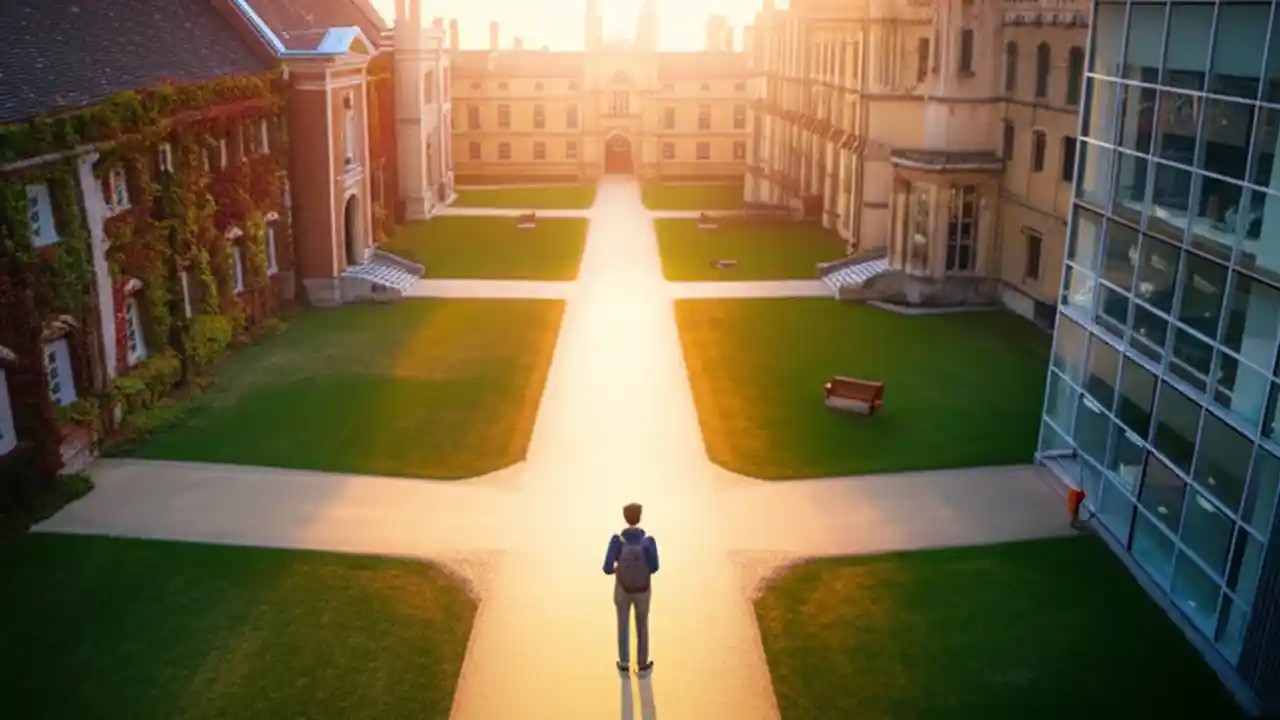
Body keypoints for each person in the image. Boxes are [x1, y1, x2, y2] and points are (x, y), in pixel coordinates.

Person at [603, 502, 659, 674]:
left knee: (623, 624)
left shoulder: (617, 541)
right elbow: (654, 567)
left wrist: (617, 570)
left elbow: (606, 567)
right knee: (642, 625)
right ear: (640, 517)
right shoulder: (648, 542)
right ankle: (642, 664)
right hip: (642, 589)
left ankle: (624, 662)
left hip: (622, 589)